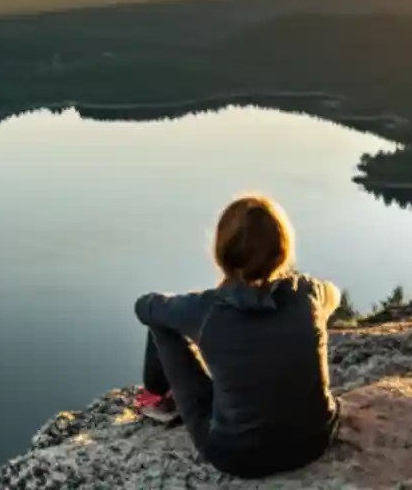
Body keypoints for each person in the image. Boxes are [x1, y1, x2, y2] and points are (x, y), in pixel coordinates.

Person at [132, 194, 341, 478]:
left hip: (237, 456)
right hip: (315, 440)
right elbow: (335, 295)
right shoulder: (308, 294)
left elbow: (145, 307)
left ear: (222, 251)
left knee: (161, 323)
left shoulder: (205, 310)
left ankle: (158, 397)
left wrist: (177, 307)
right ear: (282, 249)